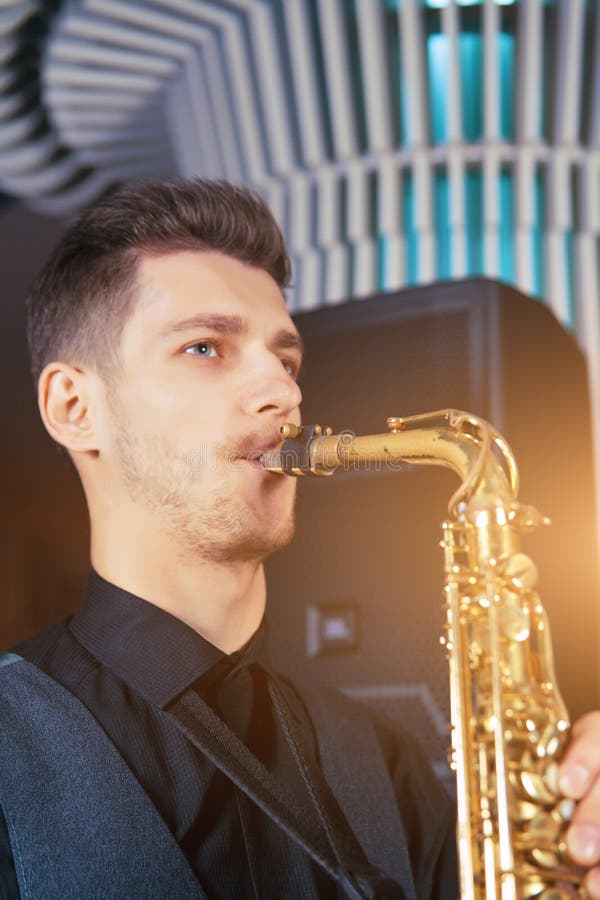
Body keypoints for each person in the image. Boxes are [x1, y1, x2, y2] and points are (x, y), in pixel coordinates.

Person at [0, 179, 599, 900]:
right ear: (74, 408)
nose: (283, 395)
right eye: (204, 347)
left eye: (285, 361)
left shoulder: (390, 766)